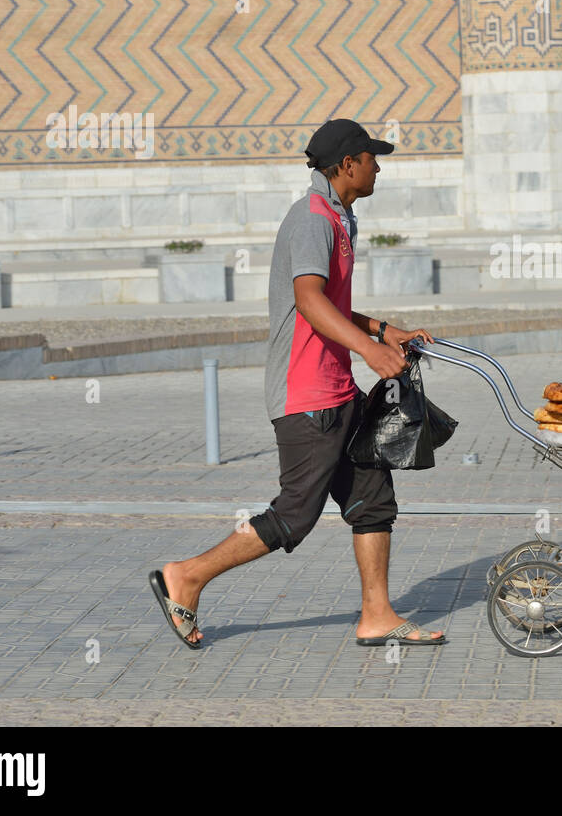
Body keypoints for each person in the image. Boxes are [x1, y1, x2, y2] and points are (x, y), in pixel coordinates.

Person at [149, 118, 444, 648]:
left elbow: (329, 303)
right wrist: (371, 351)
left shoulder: (337, 216)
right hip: (306, 396)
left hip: (338, 391)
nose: (378, 168)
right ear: (348, 165)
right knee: (294, 514)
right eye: (372, 158)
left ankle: (377, 614)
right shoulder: (312, 219)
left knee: (372, 499)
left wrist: (382, 330)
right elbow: (308, 300)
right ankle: (187, 575)